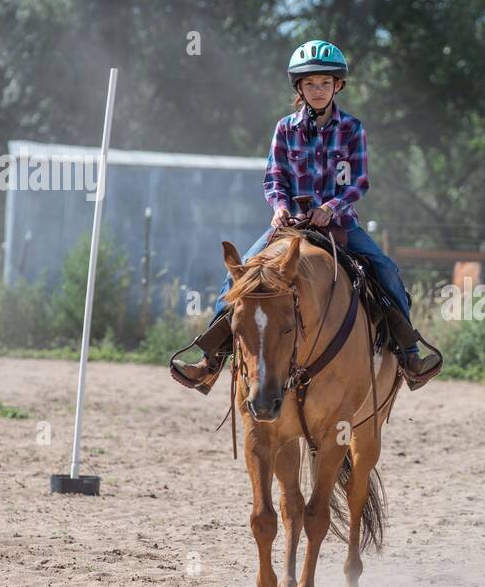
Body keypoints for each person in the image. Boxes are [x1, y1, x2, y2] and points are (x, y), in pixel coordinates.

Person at [170, 39, 442, 394]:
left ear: (337, 86)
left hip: (341, 226)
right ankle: (211, 359)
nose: (317, 90)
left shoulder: (352, 130)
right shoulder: (285, 129)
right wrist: (280, 207)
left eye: (325, 83)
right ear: (299, 87)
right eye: (310, 83)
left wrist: (330, 208)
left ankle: (409, 356)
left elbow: (358, 181)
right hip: (290, 225)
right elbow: (274, 177)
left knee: (385, 269)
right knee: (243, 272)